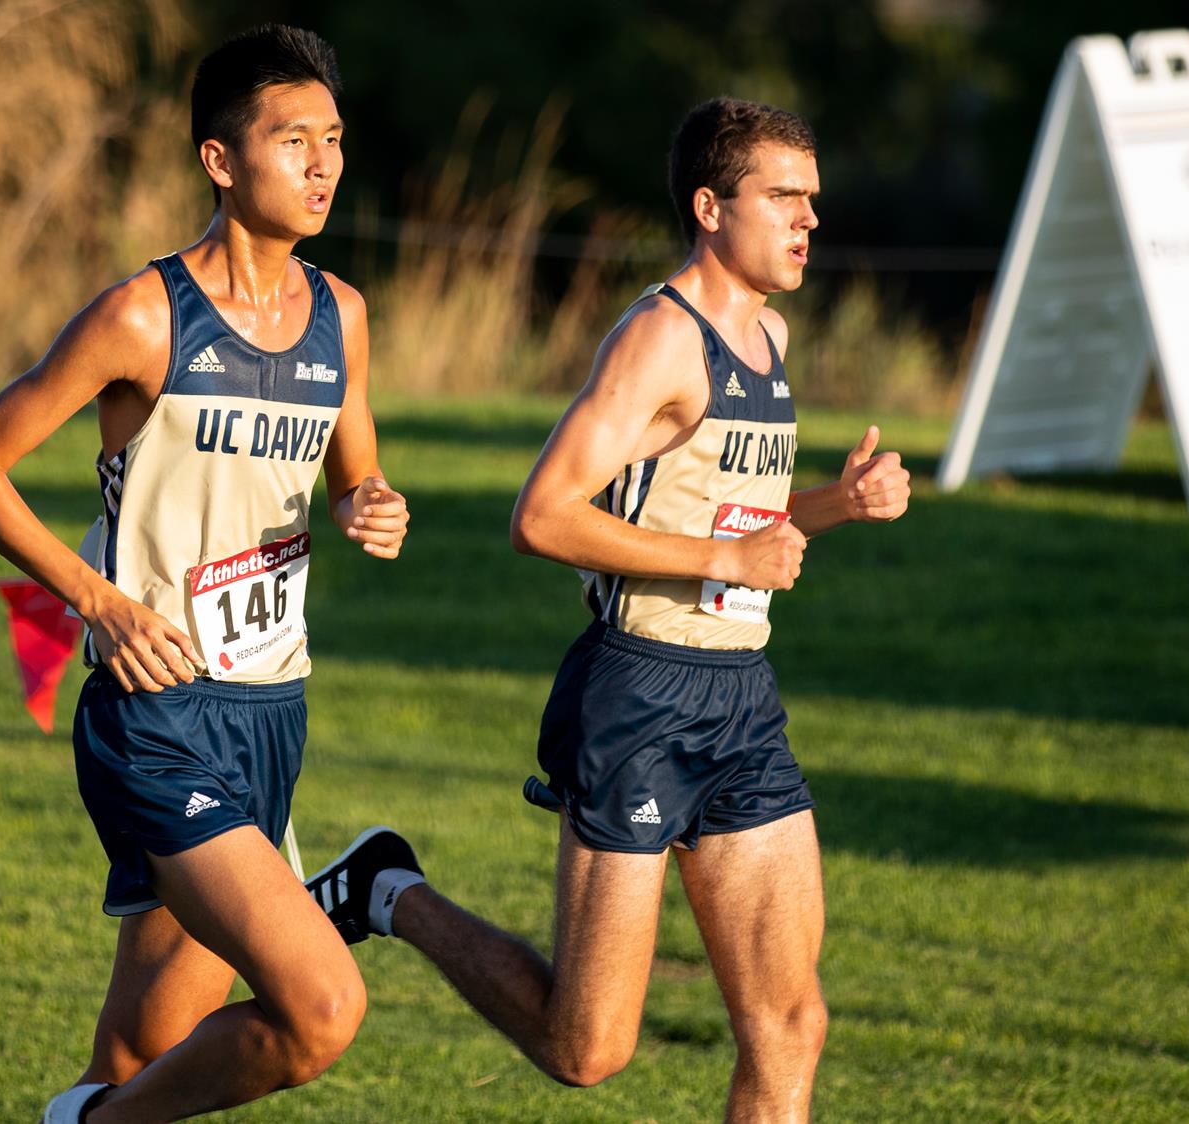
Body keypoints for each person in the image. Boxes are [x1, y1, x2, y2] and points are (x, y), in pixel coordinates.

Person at [306, 96, 909, 1123]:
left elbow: (735, 513)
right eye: (783, 197)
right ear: (710, 207)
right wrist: (731, 551)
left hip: (739, 699)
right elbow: (540, 515)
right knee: (586, 1048)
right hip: (637, 695)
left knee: (789, 1022)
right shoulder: (658, 342)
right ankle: (386, 890)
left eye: (812, 199)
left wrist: (834, 506)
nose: (807, 219)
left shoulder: (765, 334)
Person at [0, 25, 409, 1122]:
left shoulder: (341, 315)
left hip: (271, 711)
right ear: (219, 159)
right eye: (293, 140)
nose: (322, 164)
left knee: (143, 1048)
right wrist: (95, 598)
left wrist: (366, 504)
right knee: (318, 1004)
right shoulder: (145, 315)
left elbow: (354, 468)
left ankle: (90, 1109)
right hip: (156, 714)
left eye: (332, 140)